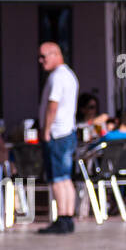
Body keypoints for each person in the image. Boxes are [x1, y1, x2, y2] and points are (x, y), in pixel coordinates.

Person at [37, 41, 79, 235]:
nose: (40, 61)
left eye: (44, 56)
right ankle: (67, 217)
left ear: (55, 54)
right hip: (68, 131)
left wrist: (46, 130)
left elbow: (52, 106)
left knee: (57, 178)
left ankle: (63, 217)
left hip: (57, 133)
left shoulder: (57, 77)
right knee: (65, 177)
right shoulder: (69, 75)